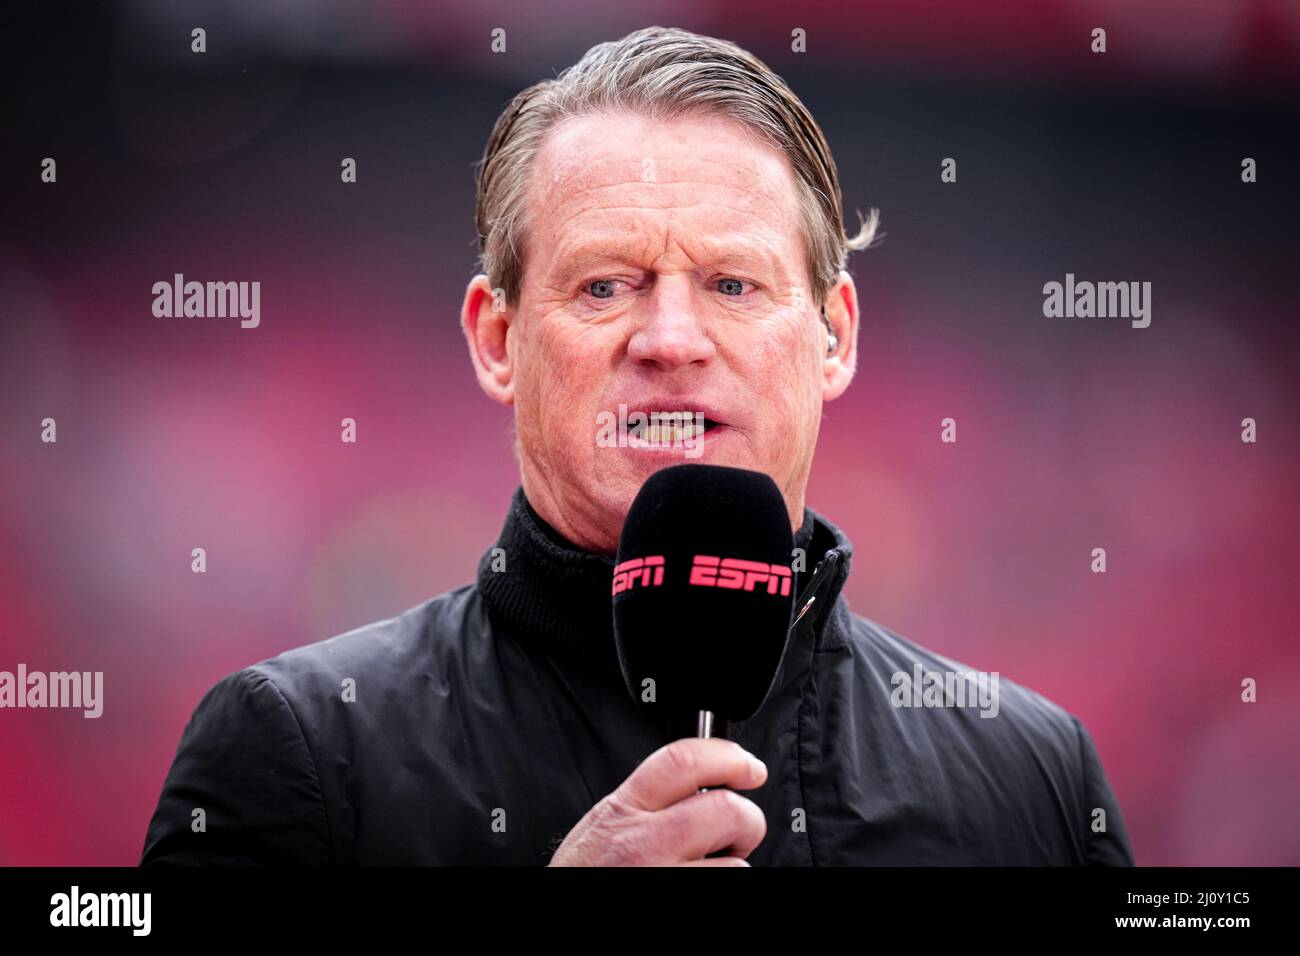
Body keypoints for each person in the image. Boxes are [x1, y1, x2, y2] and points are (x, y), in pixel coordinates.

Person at [141, 26, 1134, 866]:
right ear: (498, 339)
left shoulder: (1034, 780)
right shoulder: (297, 750)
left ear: (836, 336)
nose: (669, 338)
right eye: (604, 285)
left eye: (731, 284)